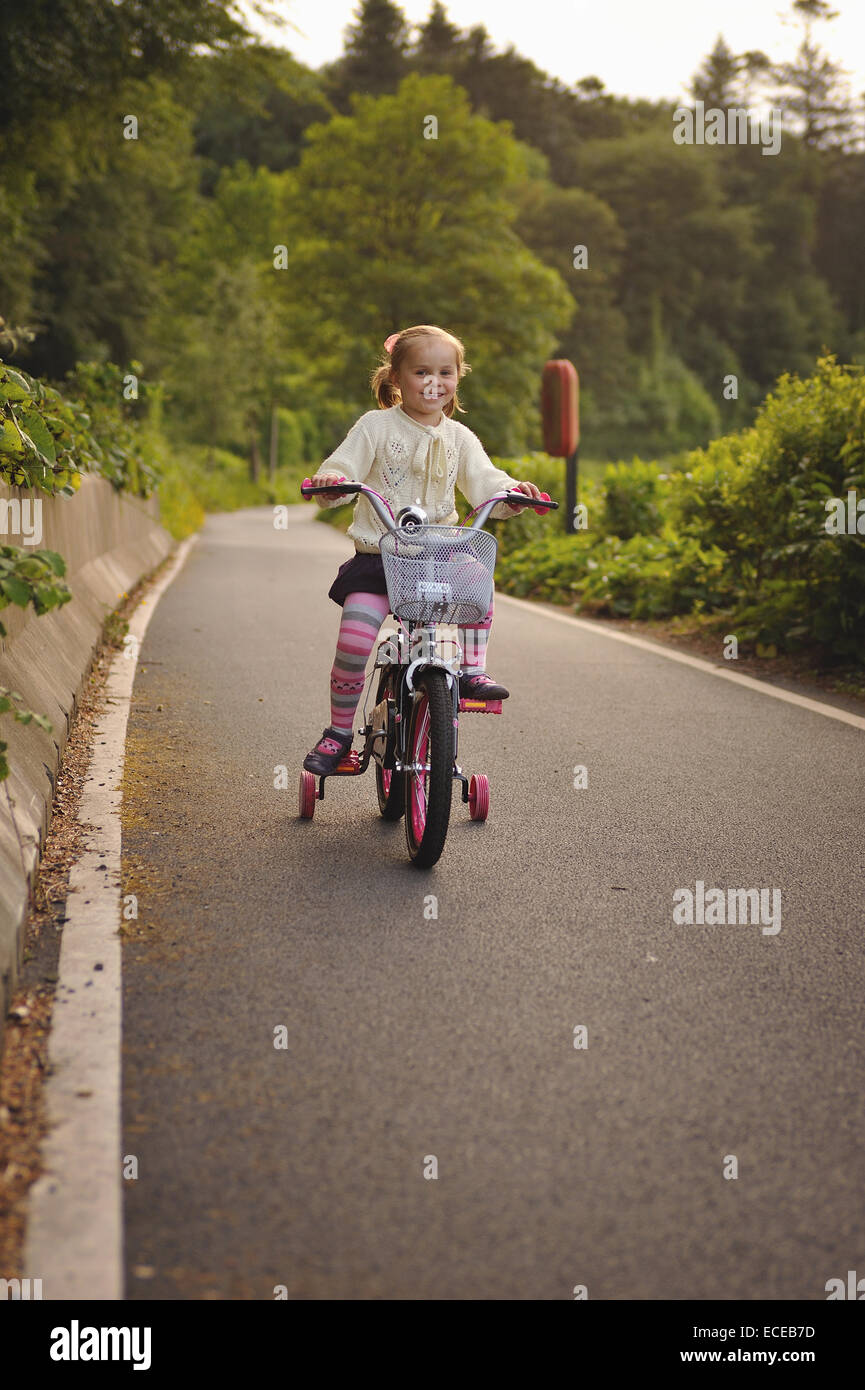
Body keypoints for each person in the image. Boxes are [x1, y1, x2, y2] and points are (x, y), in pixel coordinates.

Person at [302, 324, 544, 775]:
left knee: (478, 574)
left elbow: (485, 480)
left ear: (457, 377)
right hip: (380, 561)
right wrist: (331, 481)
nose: (434, 382)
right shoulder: (374, 427)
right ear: (396, 377)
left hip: (440, 560)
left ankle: (472, 670)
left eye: (445, 372)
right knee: (354, 644)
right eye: (421, 371)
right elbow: (343, 467)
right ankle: (338, 734)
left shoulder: (460, 438)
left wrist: (511, 491)